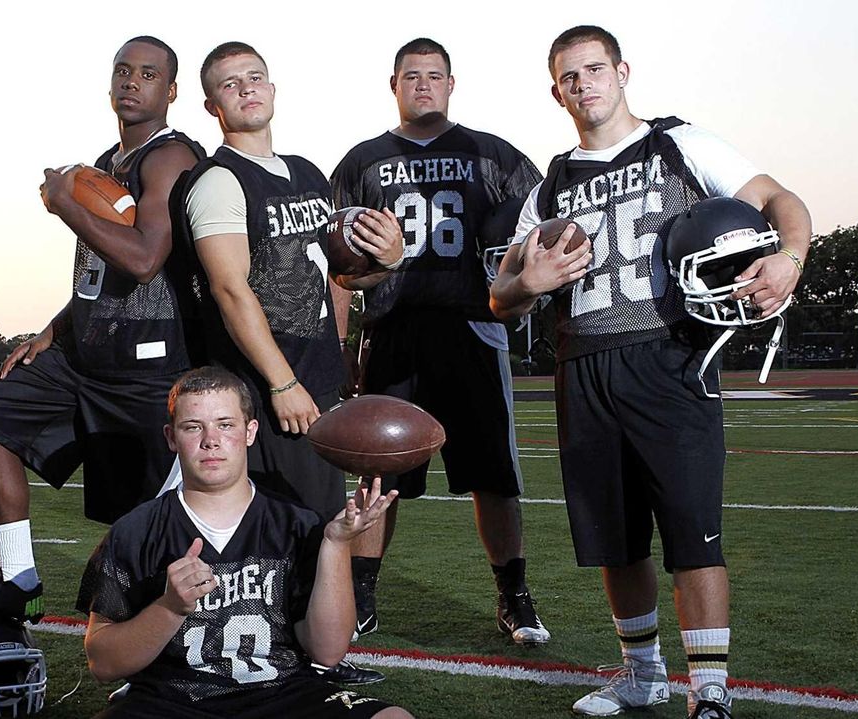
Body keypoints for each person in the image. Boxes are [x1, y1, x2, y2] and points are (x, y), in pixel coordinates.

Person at [490, 25, 810, 719]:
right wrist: (529, 281)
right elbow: (500, 293)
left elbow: (781, 199)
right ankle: (641, 674)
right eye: (570, 76)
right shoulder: (550, 186)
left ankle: (711, 690)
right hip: (584, 365)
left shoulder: (679, 143)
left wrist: (790, 256)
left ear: (622, 71)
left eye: (595, 69)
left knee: (693, 530)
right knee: (617, 537)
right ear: (557, 91)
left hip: (672, 357)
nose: (585, 84)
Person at [0, 37, 205, 624]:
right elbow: (99, 277)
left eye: (148, 74)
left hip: (150, 369)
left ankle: (159, 659)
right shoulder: (107, 164)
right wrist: (55, 329)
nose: (132, 82)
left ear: (171, 91)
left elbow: (145, 258)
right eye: (123, 71)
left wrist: (63, 202)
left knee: (142, 538)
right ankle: (18, 578)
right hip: (85, 354)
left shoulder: (172, 157)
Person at [176, 41, 401, 684]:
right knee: (280, 532)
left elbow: (342, 276)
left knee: (318, 525)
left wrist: (390, 260)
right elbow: (229, 289)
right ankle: (282, 666)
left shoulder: (306, 173)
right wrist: (282, 381)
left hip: (316, 377)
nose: (246, 90)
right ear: (212, 103)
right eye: (229, 84)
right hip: (266, 387)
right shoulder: (219, 180)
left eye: (255, 78)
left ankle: (309, 660)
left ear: (272, 87)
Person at [330, 37, 550, 646]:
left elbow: (538, 231)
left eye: (434, 75)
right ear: (393, 84)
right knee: (379, 471)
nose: (423, 85)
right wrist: (339, 343)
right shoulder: (362, 162)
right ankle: (360, 592)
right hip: (394, 328)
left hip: (472, 326)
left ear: (452, 84)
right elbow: (338, 263)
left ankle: (514, 593)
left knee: (493, 474)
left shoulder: (494, 155)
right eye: (411, 76)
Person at [76, 366, 413, 719]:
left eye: (225, 424)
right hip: (172, 699)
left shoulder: (297, 524)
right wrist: (170, 607)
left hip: (280, 693)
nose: (211, 440)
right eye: (193, 427)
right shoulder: (137, 531)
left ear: (250, 431)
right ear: (171, 436)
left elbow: (327, 652)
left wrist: (336, 544)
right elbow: (102, 662)